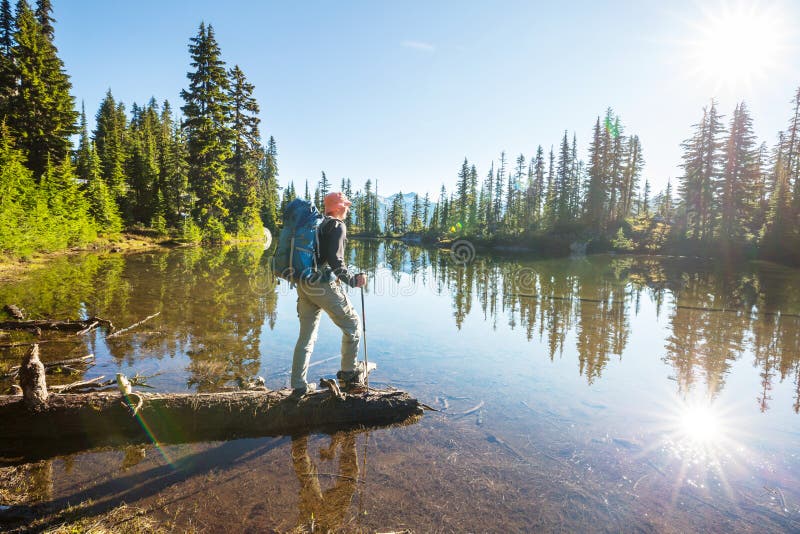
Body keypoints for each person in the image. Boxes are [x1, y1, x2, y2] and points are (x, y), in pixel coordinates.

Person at [291, 191, 367, 395]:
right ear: (339, 206)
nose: (348, 209)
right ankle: (349, 375)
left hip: (304, 283)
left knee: (306, 336)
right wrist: (352, 280)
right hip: (323, 285)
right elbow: (335, 261)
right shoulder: (337, 225)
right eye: (346, 205)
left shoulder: (316, 224)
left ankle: (299, 385)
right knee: (352, 325)